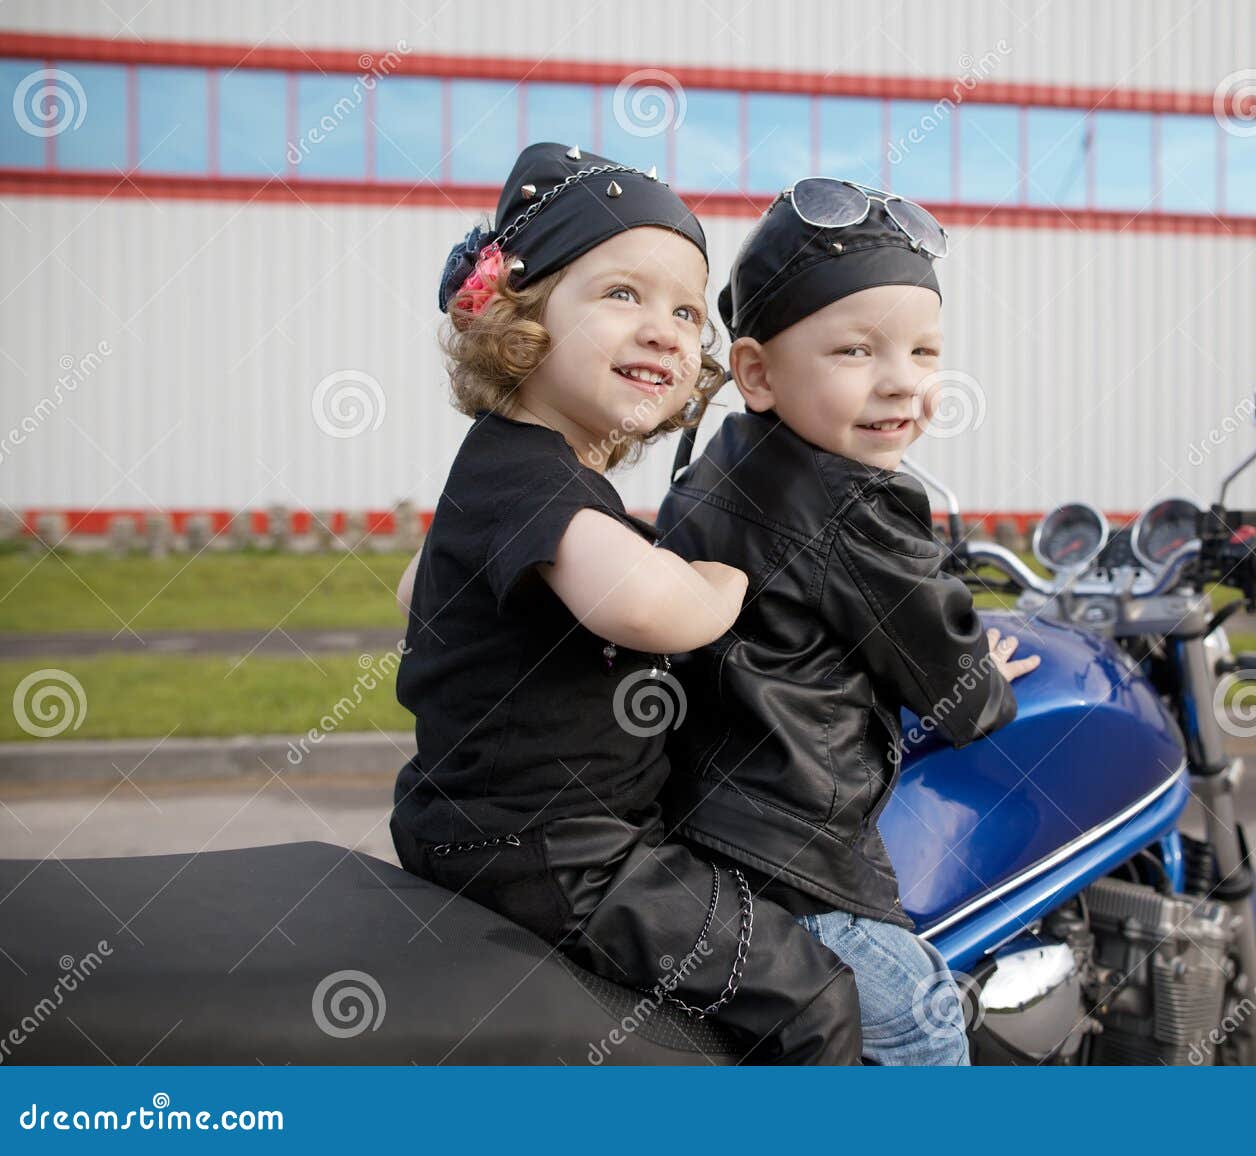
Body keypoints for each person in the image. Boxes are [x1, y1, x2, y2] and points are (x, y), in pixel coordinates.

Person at [390, 145, 862, 1064]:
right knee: (813, 998)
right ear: (522, 320)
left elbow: (418, 586)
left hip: (480, 828)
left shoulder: (512, 470)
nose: (664, 329)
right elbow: (655, 611)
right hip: (563, 854)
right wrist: (720, 582)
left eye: (687, 311)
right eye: (622, 295)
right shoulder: (534, 478)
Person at [656, 179, 1039, 1065]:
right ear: (755, 372)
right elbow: (964, 700)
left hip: (703, 818)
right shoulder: (854, 502)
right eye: (857, 351)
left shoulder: (720, 459)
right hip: (791, 852)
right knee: (920, 1018)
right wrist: (982, 671)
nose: (902, 380)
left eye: (925, 350)